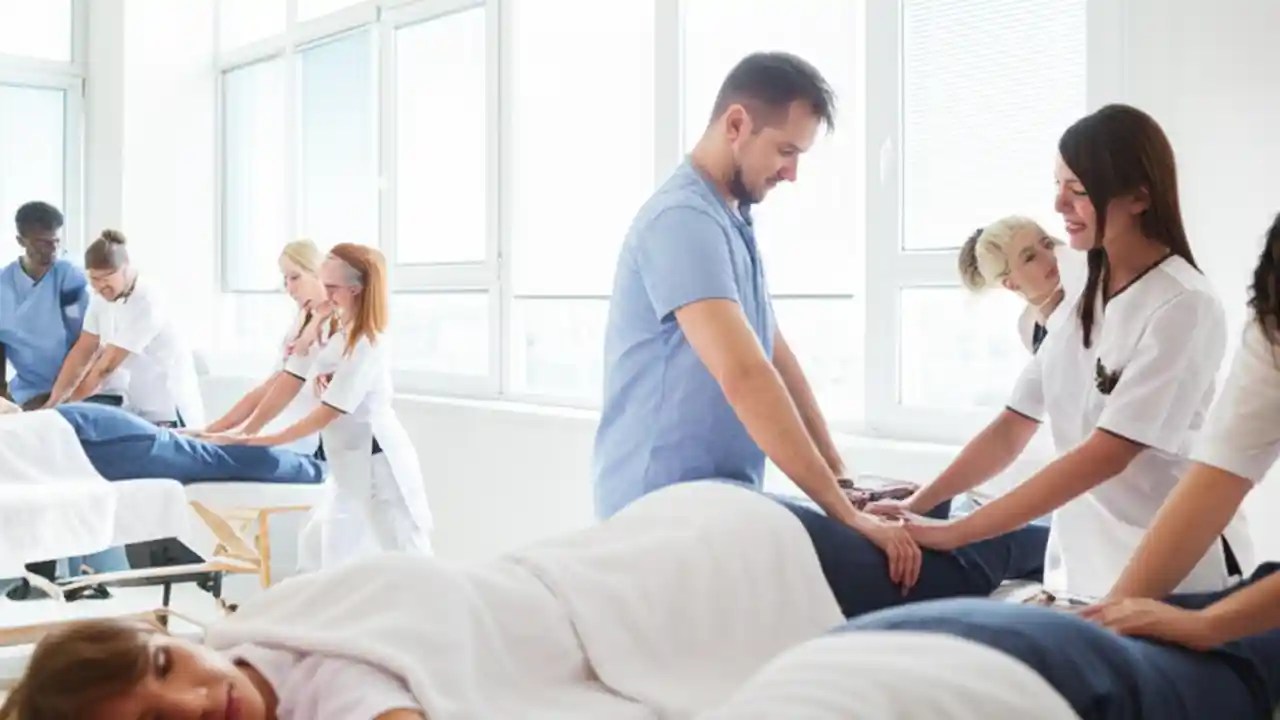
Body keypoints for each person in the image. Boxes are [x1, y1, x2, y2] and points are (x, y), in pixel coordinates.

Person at [871, 104, 1249, 601]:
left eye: (1078, 190)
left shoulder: (1184, 304)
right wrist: (919, 507)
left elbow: (1105, 455)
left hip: (1173, 582)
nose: (1059, 205)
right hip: (1083, 575)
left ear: (1138, 196)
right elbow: (1011, 427)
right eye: (1057, 186)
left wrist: (954, 532)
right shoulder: (1081, 294)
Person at [592, 51, 921, 590]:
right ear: (737, 125)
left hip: (718, 501)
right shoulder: (682, 221)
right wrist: (844, 512)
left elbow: (773, 353)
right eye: (786, 151)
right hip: (657, 512)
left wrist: (843, 480)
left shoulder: (732, 219)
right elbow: (745, 374)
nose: (791, 173)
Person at [1079, 213, 1280, 649]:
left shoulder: (1186, 300)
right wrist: (1109, 619)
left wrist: (1210, 626)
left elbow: (1110, 451)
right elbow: (1217, 475)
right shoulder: (1271, 329)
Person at [205, 244, 432, 569]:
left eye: (331, 288)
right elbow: (289, 379)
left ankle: (444, 615)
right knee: (318, 550)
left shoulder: (368, 342)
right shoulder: (333, 332)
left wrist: (259, 440)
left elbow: (329, 411)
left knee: (407, 553)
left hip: (380, 463)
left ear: (355, 290)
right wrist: (240, 431)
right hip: (348, 463)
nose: (324, 294)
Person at [43, 229, 206, 428]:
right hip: (137, 406)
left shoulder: (148, 300)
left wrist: (65, 409)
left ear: (126, 268)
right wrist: (53, 403)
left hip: (170, 409)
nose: (100, 286)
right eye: (93, 279)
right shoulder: (100, 299)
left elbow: (106, 366)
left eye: (106, 278)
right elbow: (82, 351)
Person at [191, 240, 330, 456]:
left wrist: (246, 434)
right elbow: (271, 386)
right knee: (202, 447)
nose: (289, 289)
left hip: (308, 443)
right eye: (285, 279)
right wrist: (211, 431)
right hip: (282, 433)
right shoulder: (301, 322)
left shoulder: (332, 328)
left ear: (319, 274)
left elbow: (287, 384)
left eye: (295, 277)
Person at [0, 201, 89, 410]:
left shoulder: (69, 277)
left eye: (56, 241)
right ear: (21, 241)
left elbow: (87, 343)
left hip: (77, 385)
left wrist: (59, 398)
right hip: (29, 390)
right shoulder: (3, 284)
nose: (52, 250)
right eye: (42, 243)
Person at [957, 215, 1067, 354]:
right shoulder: (1029, 327)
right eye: (1029, 258)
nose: (1049, 256)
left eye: (1047, 244)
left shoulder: (1090, 283)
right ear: (1011, 284)